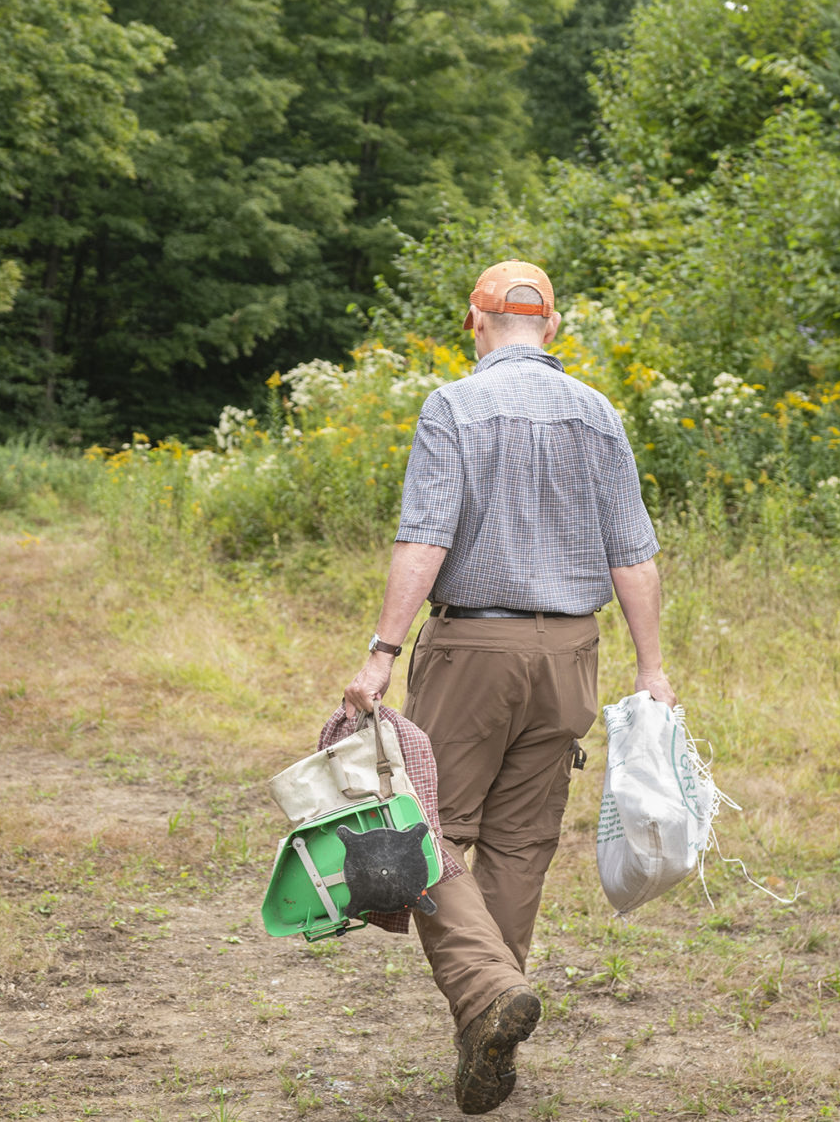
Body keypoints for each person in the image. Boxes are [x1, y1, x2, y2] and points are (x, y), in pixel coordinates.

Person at [343, 259, 673, 1115]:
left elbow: (425, 537)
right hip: (572, 655)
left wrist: (382, 650)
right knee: (523, 842)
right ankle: (486, 1021)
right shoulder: (599, 413)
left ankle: (487, 995)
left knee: (424, 825)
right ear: (552, 327)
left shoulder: (454, 405)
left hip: (472, 649)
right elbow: (632, 552)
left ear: (474, 321)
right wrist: (652, 670)